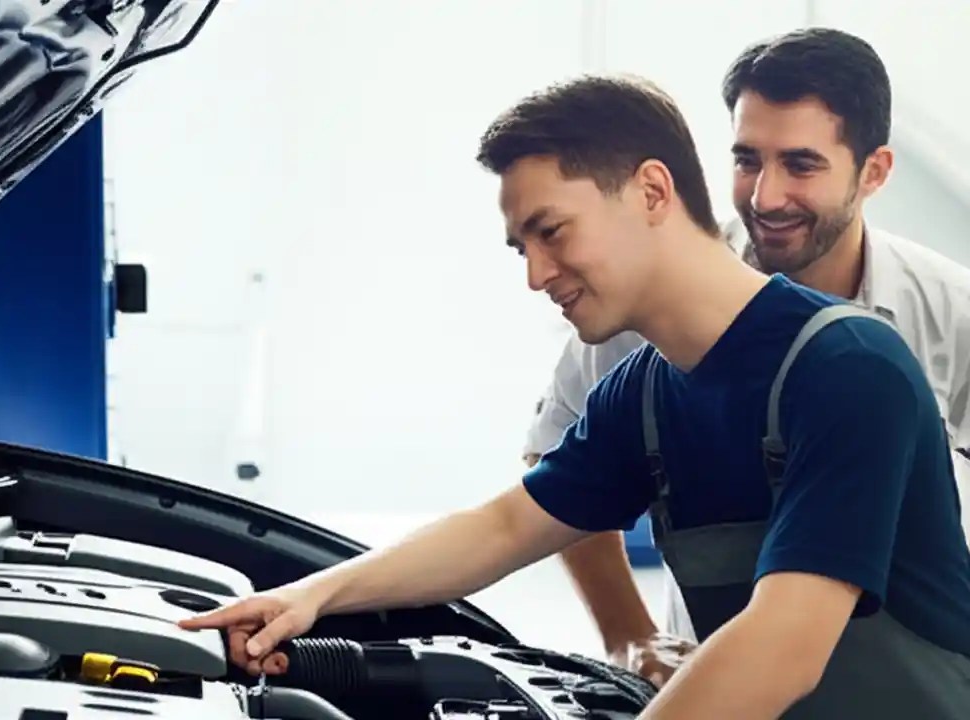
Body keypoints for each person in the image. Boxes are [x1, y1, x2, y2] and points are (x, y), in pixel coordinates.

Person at [180, 71, 970, 718]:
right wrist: (307, 597)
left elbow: (786, 643)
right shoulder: (645, 392)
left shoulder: (849, 366)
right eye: (521, 246)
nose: (535, 274)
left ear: (652, 192)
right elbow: (504, 525)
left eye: (552, 231)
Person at [520, 27, 970, 687]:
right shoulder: (650, 303)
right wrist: (630, 633)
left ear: (873, 171)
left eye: (801, 164)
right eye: (748, 159)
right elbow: (550, 465)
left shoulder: (951, 310)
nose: (765, 196)